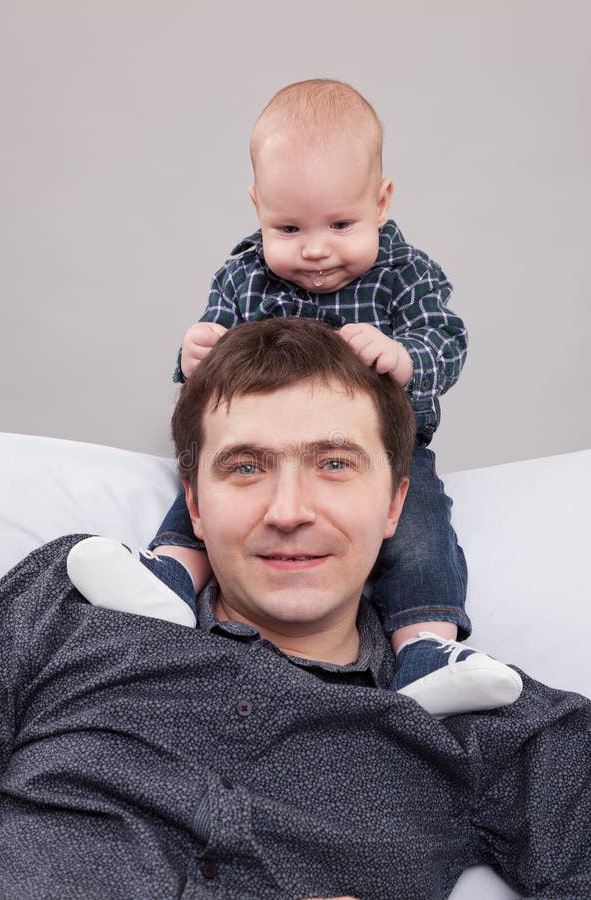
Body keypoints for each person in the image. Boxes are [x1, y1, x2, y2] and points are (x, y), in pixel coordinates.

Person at [0, 319, 590, 899]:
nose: (288, 512)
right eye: (246, 467)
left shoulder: (484, 715)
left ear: (394, 505)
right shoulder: (73, 603)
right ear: (195, 506)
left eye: (334, 464)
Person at [67, 78, 522, 718]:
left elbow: (447, 337)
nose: (314, 249)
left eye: (341, 224)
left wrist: (406, 356)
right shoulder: (242, 274)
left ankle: (425, 649)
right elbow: (207, 374)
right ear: (257, 208)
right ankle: (168, 576)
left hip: (388, 446)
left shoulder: (405, 273)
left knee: (420, 535)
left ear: (382, 200)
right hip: (257, 430)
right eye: (287, 226)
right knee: (215, 485)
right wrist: (194, 355)